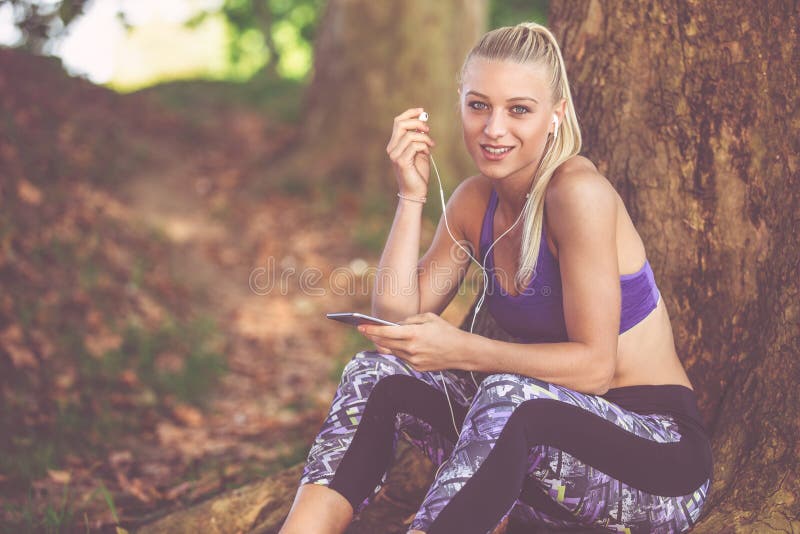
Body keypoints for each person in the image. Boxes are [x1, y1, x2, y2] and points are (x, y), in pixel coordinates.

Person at [280, 21, 713, 534]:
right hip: (538, 465)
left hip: (654, 468)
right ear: (458, 104)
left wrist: (461, 350)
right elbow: (394, 319)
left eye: (519, 110)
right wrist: (411, 194)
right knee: (376, 374)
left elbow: (597, 370)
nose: (494, 129)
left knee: (511, 395)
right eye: (479, 105)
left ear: (556, 116)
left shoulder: (577, 194)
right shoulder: (474, 202)